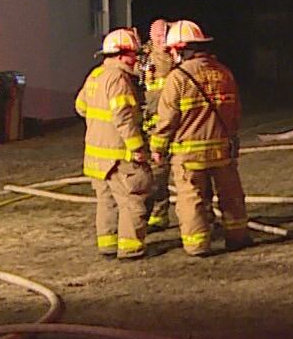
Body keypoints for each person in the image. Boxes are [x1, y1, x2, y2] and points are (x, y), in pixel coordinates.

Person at [150, 19, 252, 257]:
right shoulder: (223, 72)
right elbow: (235, 111)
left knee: (190, 198)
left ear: (180, 49)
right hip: (222, 150)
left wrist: (157, 147)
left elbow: (167, 118)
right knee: (231, 195)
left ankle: (197, 245)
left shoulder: (179, 78)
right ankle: (237, 237)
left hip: (189, 153)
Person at [74, 28, 154, 260]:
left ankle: (108, 244)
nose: (135, 59)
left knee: (106, 201)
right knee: (132, 200)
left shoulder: (96, 75)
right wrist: (138, 148)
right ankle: (131, 247)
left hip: (95, 155)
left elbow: (81, 107)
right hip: (118, 155)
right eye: (132, 54)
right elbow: (124, 117)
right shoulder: (119, 79)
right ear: (120, 54)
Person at [140, 18, 175, 231]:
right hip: (153, 125)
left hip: (179, 124)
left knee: (192, 173)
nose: (161, 39)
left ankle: (203, 214)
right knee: (156, 174)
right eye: (157, 36)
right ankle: (158, 214)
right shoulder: (144, 59)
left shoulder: (178, 55)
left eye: (164, 35)